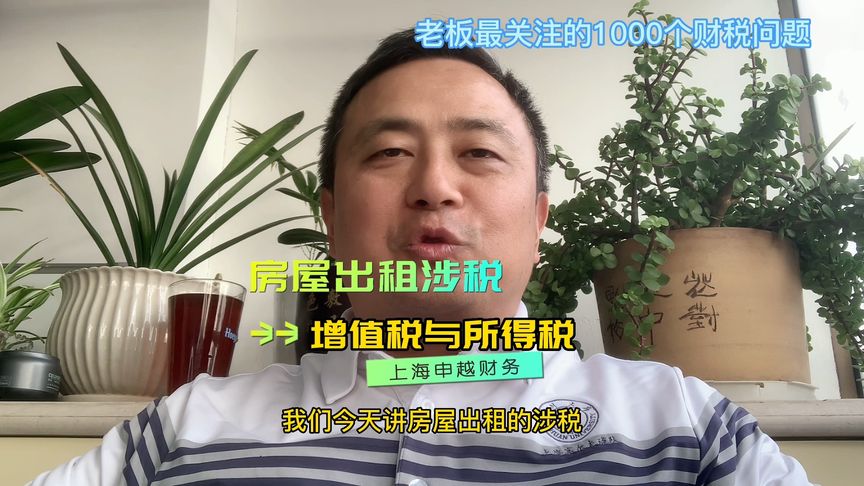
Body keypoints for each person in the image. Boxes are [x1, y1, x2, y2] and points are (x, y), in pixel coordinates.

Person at [31, 28, 813, 486]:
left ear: (539, 221)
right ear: (330, 218)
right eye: (390, 153)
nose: (435, 186)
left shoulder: (686, 430)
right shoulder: (185, 430)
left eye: (479, 152)